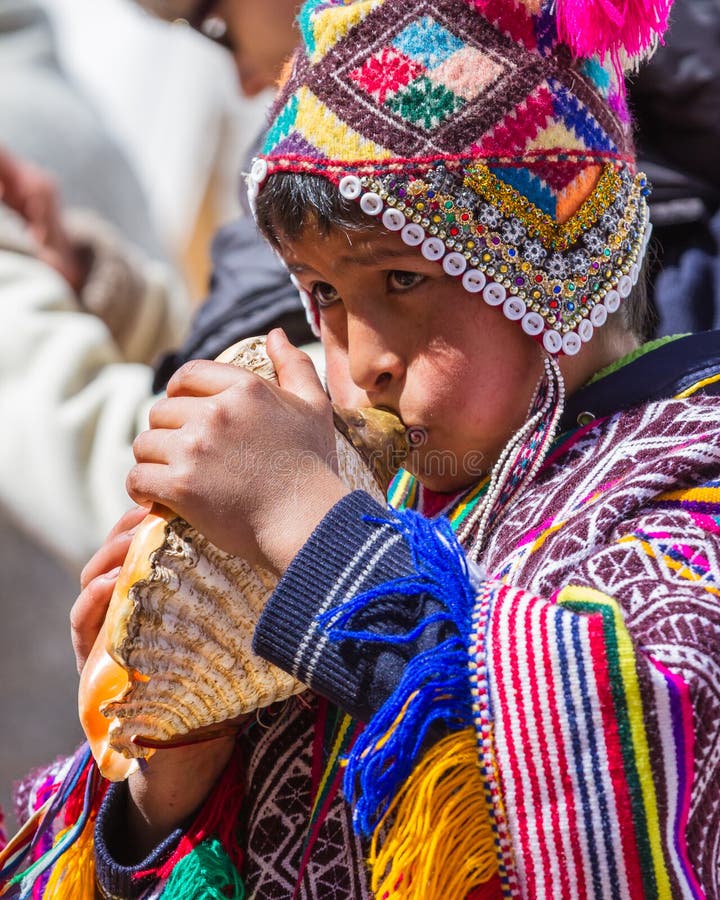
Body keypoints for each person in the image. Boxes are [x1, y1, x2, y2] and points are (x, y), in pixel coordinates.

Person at [5, 0, 720, 898]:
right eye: (324, 295)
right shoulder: (390, 506)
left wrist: (304, 520)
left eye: (403, 278)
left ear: (558, 262)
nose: (361, 361)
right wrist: (177, 762)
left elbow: (628, 760)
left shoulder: (688, 479)